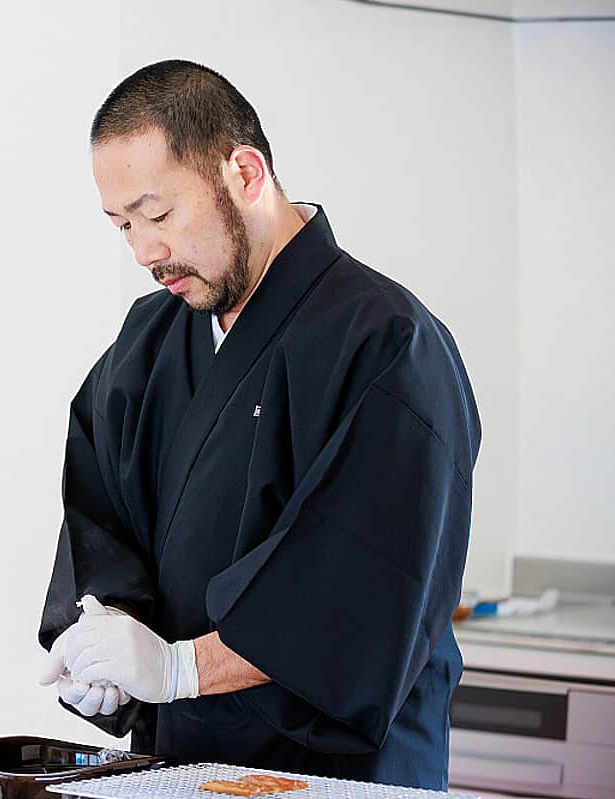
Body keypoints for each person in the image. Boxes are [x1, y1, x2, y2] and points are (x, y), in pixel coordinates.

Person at [37, 59, 480, 792]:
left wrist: (178, 667)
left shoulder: (388, 343)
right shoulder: (151, 338)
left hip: (342, 774)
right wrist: (106, 636)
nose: (145, 252)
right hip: (182, 761)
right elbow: (101, 511)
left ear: (245, 172)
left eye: (159, 214)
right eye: (122, 226)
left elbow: (361, 594)